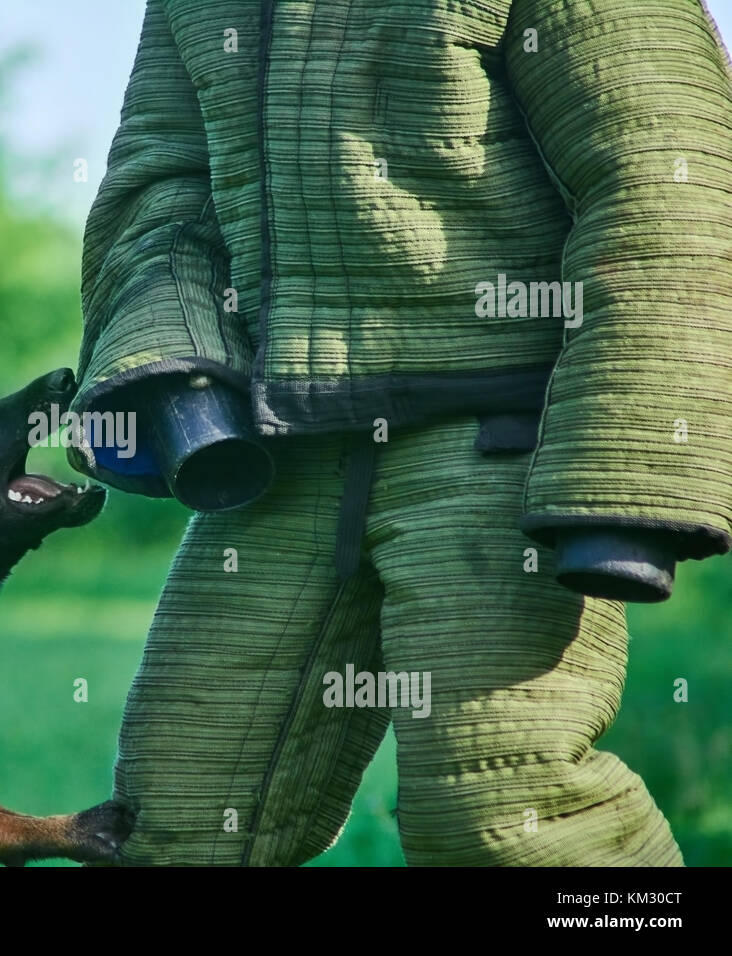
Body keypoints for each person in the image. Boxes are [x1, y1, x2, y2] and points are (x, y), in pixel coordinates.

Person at [66, 0, 732, 865]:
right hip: (285, 446)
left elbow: (665, 176)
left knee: (504, 806)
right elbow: (163, 182)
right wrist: (184, 373)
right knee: (177, 820)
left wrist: (625, 472)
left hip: (505, 433)